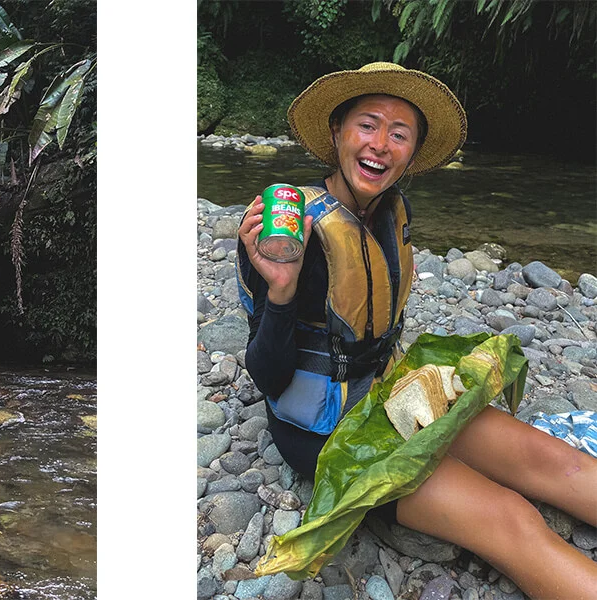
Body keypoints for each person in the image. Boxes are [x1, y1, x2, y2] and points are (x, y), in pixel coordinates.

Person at [236, 62, 597, 598]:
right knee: (508, 516)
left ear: (412, 151)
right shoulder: (288, 229)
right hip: (325, 432)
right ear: (337, 131)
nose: (380, 144)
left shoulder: (391, 210)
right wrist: (282, 290)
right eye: (368, 124)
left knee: (557, 461)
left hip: (395, 393)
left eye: (399, 134)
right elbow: (268, 376)